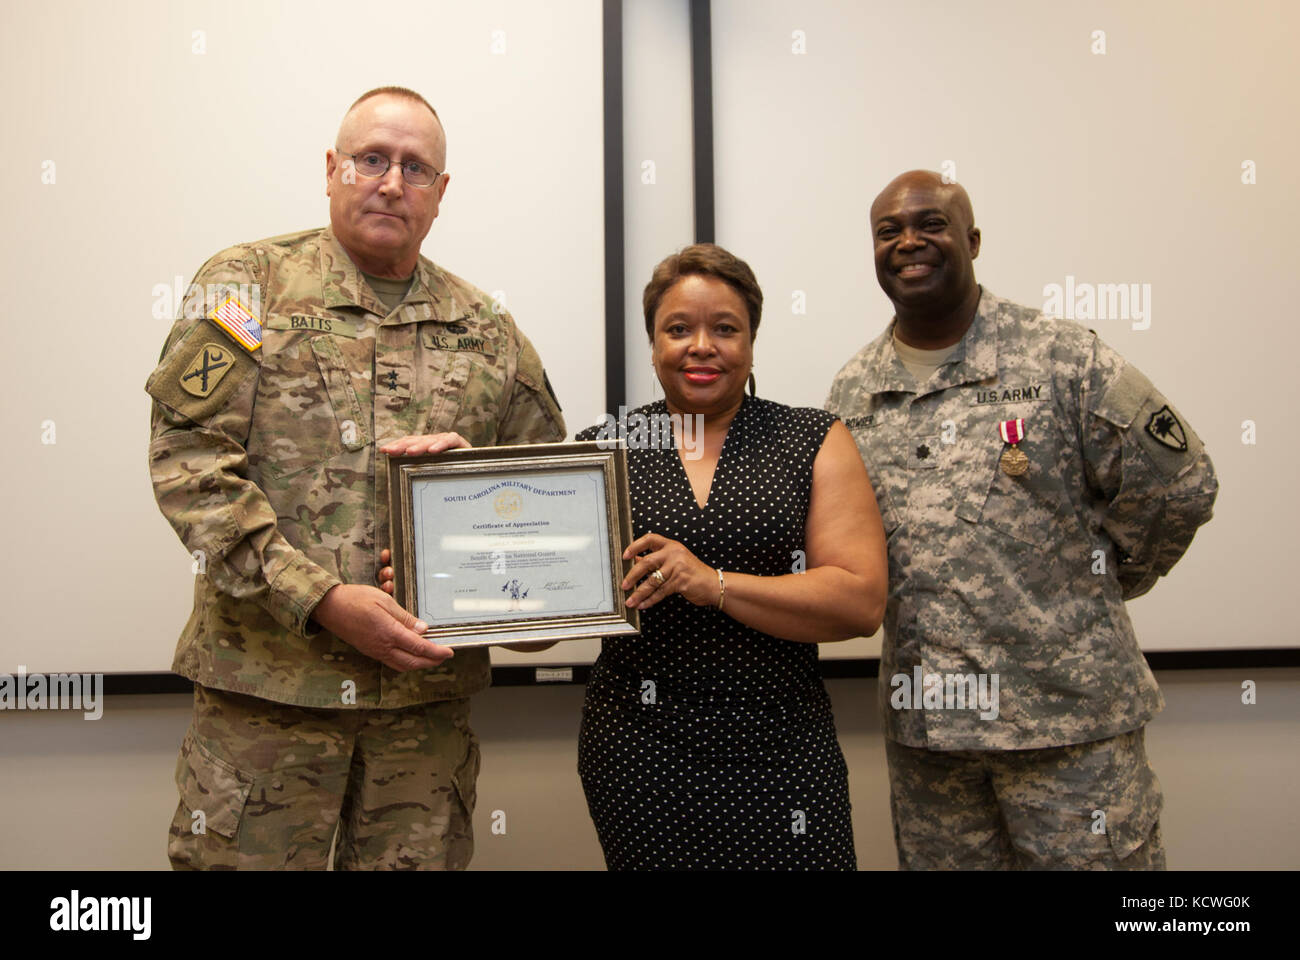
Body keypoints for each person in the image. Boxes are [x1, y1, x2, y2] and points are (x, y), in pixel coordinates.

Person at [146, 86, 565, 870]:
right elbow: (189, 462)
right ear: (332, 168)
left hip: (422, 724)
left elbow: (544, 507)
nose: (390, 182)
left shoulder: (491, 331)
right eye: (371, 159)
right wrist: (323, 600)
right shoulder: (244, 288)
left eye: (415, 168)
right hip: (267, 707)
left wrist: (478, 509)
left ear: (441, 195)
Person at [824, 170, 1218, 870]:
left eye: (931, 224)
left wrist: (1102, 580)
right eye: (889, 231)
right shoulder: (855, 389)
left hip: (1069, 730)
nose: (909, 241)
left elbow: (1182, 484)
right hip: (934, 744)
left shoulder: (1063, 356)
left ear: (972, 240)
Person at [577, 244, 887, 869]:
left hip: (781, 750)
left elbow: (859, 602)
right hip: (639, 752)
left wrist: (713, 582)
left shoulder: (812, 439)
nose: (701, 346)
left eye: (725, 328)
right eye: (678, 329)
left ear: (751, 342)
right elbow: (541, 619)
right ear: (653, 342)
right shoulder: (601, 449)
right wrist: (451, 588)